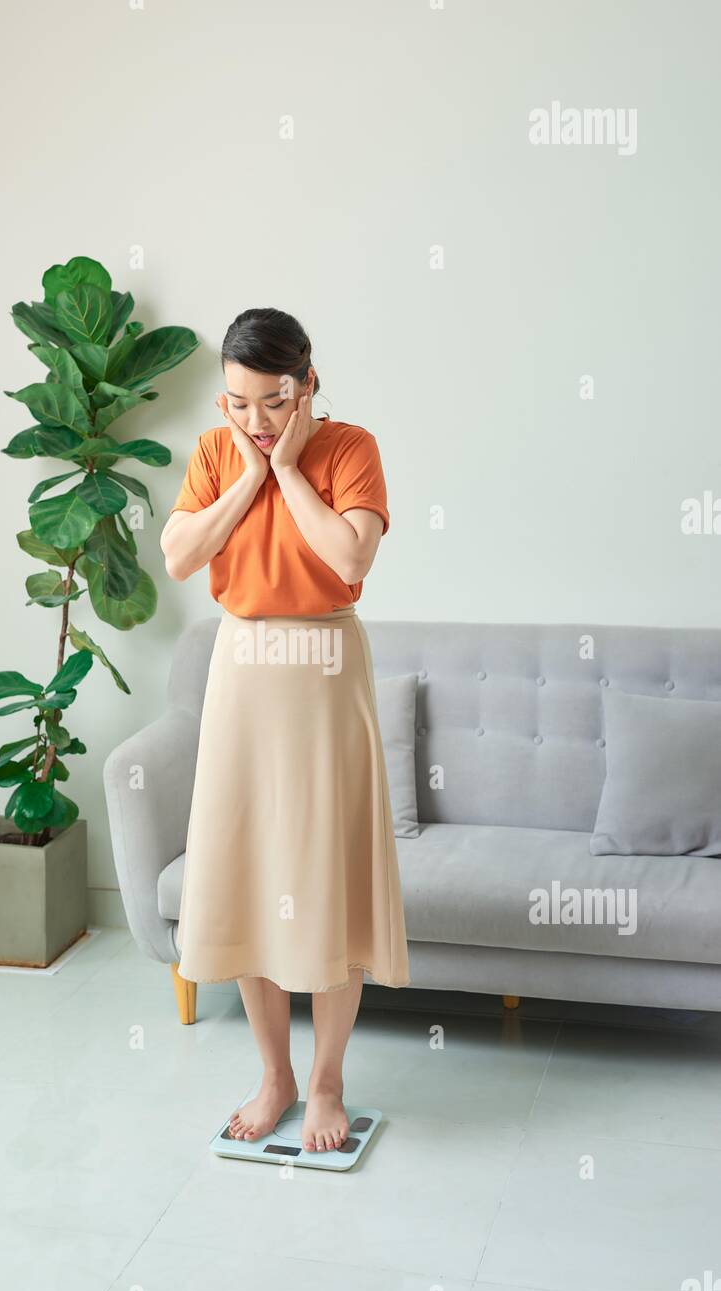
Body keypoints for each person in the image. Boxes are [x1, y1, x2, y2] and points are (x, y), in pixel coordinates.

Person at [160, 307, 410, 1154]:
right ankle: (273, 1078)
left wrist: (291, 468)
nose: (255, 422)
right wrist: (248, 474)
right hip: (242, 671)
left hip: (325, 671)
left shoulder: (351, 448)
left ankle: (327, 1083)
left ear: (307, 385)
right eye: (237, 404)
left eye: (273, 402)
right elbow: (181, 557)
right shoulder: (215, 450)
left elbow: (348, 559)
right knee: (252, 875)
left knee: (323, 876)